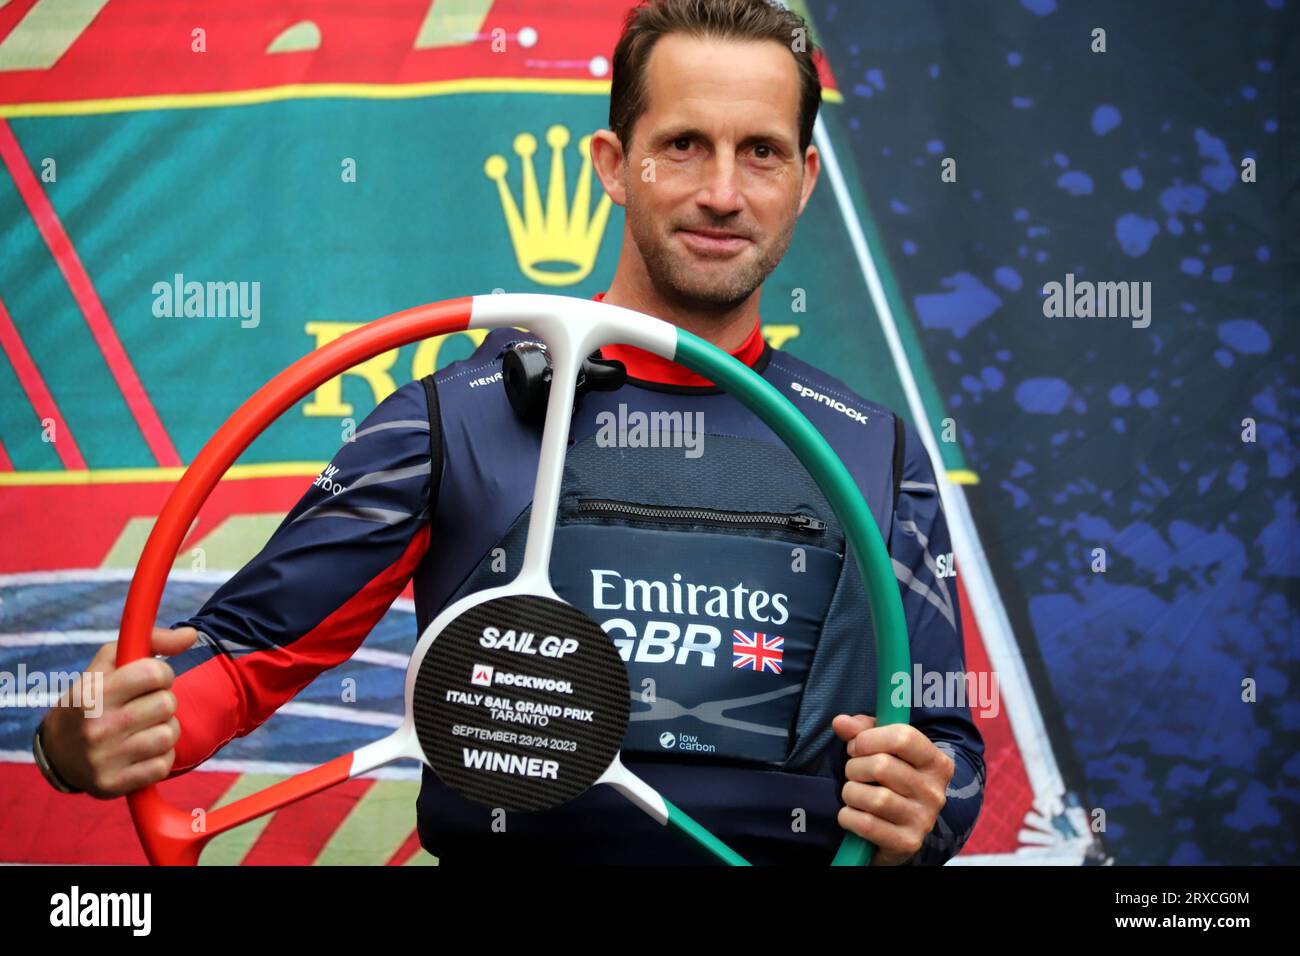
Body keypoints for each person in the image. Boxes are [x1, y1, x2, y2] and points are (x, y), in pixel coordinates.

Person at [36, 0, 984, 865]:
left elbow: (947, 756)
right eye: (684, 145)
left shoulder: (876, 454)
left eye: (762, 152)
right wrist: (80, 739)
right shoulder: (455, 419)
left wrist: (925, 810)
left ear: (806, 178)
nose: (724, 193)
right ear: (613, 164)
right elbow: (234, 668)